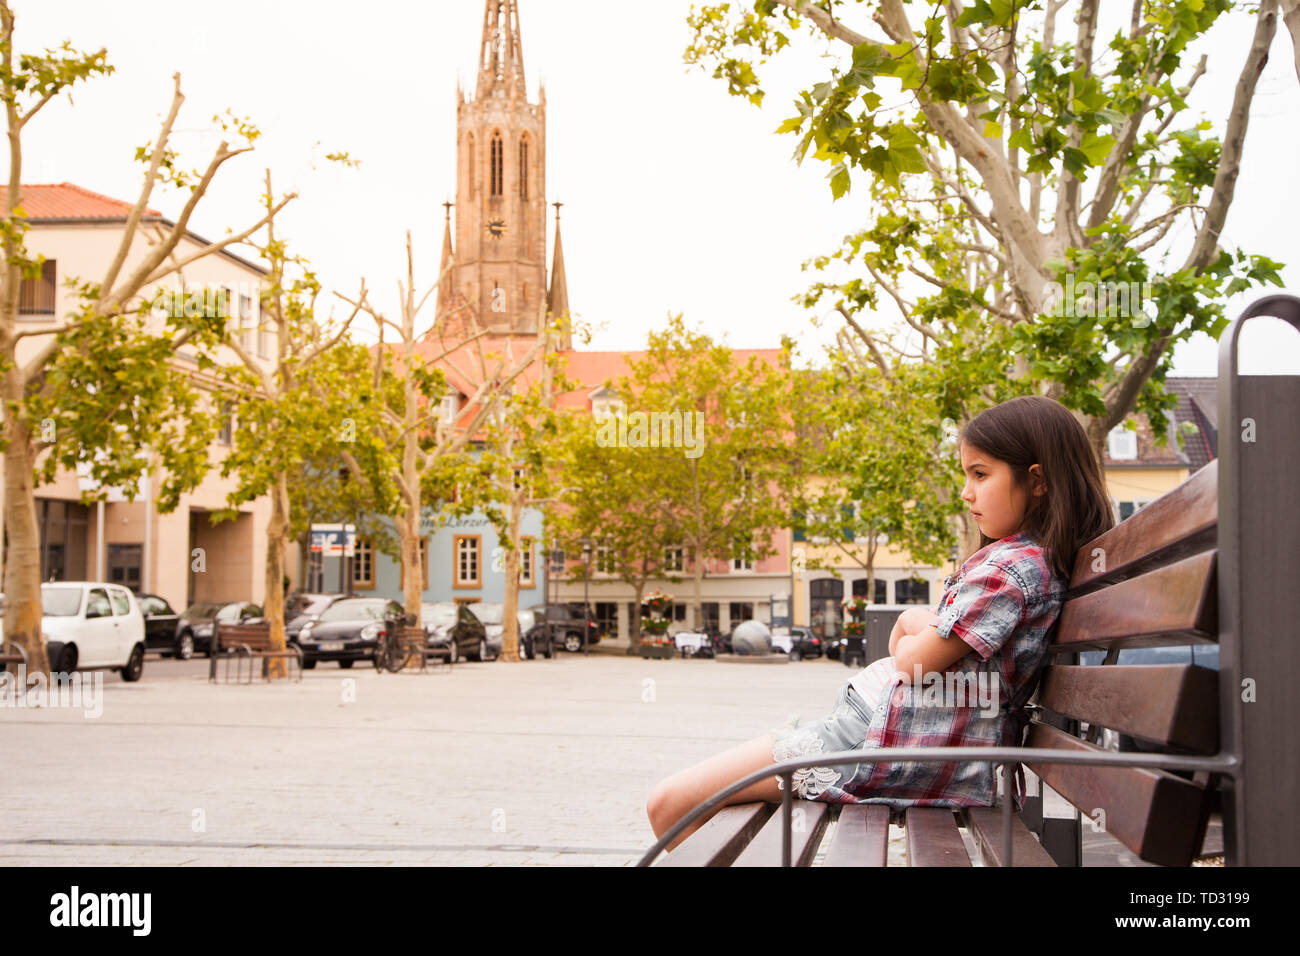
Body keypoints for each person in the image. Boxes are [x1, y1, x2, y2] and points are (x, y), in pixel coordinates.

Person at [645, 395, 1115, 853]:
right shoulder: (1025, 563)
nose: (965, 491)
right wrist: (920, 632)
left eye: (980, 474)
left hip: (879, 747)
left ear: (1037, 481)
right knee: (680, 803)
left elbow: (912, 663)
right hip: (881, 735)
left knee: (671, 804)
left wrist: (912, 618)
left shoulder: (1010, 572)